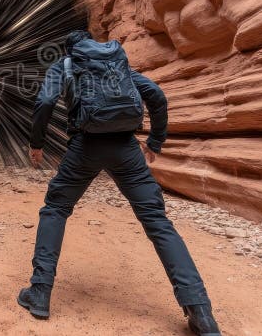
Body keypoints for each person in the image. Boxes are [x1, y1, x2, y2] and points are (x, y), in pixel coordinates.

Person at [17, 30, 221, 336]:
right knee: (157, 222)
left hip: (85, 146)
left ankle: (40, 293)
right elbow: (156, 95)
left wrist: (37, 143)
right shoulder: (116, 64)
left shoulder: (66, 64)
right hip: (127, 148)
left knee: (56, 209)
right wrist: (155, 140)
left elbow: (45, 100)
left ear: (69, 50)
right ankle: (200, 311)